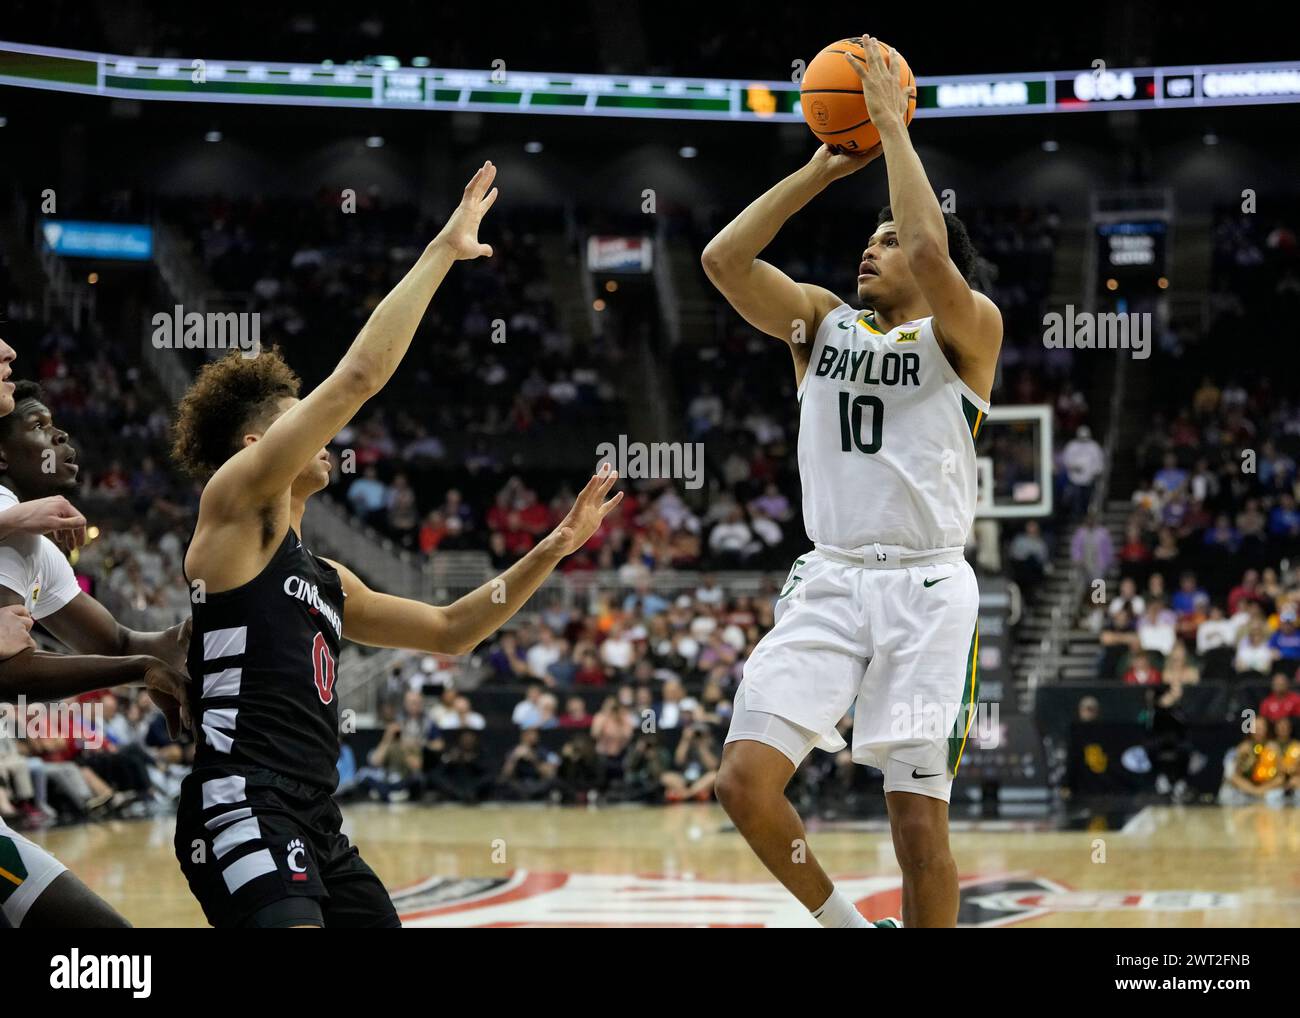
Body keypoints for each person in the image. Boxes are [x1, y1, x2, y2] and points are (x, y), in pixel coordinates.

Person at [168, 163, 623, 928]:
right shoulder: (236, 508)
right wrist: (444, 249)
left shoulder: (326, 575)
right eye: (299, 415)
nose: (324, 429)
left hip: (317, 816)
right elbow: (357, 378)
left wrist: (555, 546)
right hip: (241, 800)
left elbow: (452, 633)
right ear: (256, 444)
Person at [701, 39, 1001, 929]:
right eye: (866, 242)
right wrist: (820, 173)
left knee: (916, 825)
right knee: (741, 782)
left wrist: (893, 127)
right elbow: (724, 261)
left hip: (927, 588)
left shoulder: (967, 331)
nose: (872, 253)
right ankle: (844, 927)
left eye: (886, 242)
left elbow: (932, 254)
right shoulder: (822, 324)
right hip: (830, 578)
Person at [0, 341, 190, 930]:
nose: (62, 441)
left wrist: (230, 605)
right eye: (41, 428)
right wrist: (139, 672)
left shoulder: (28, 537)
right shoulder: (10, 518)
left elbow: (118, 640)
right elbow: (9, 673)